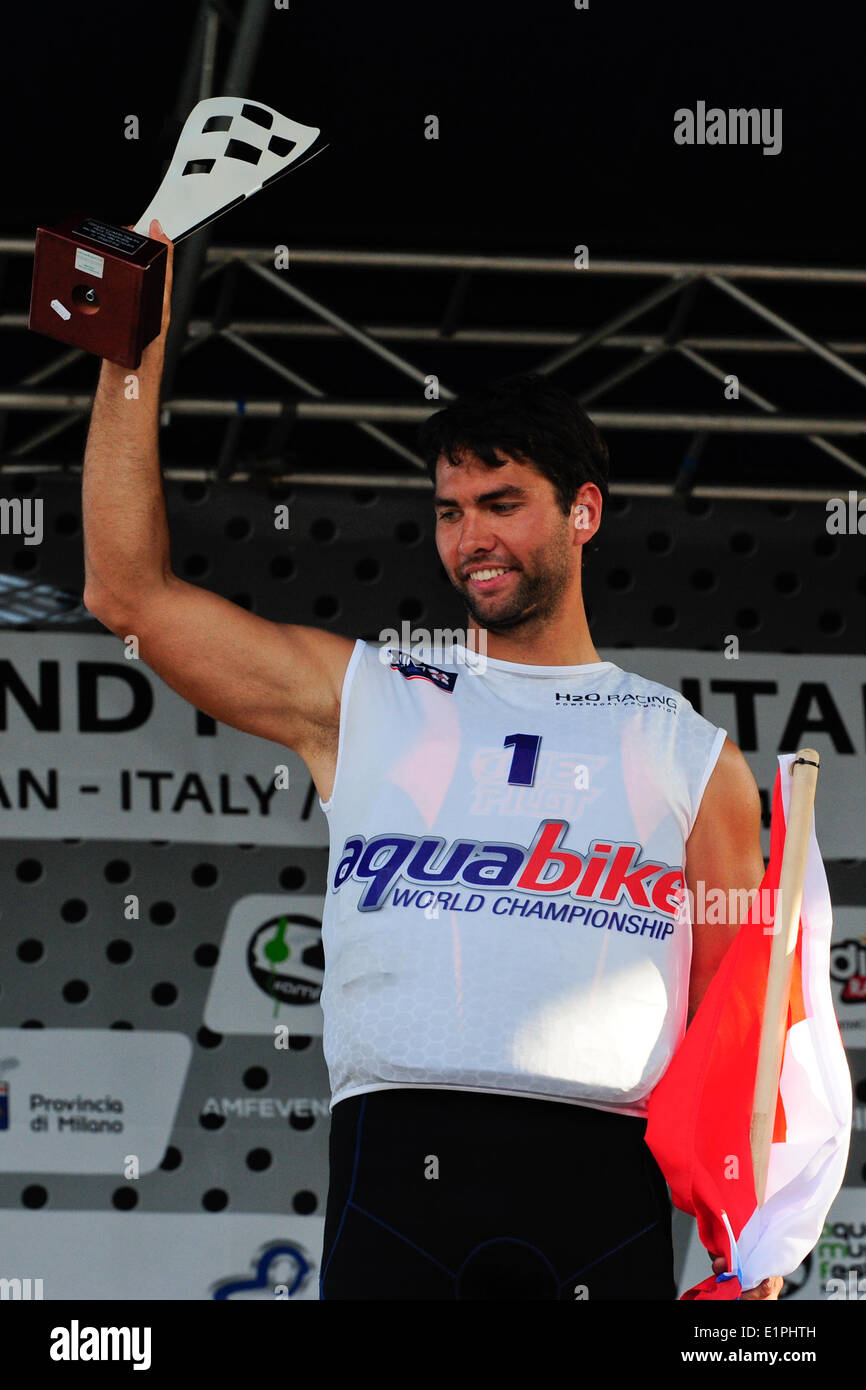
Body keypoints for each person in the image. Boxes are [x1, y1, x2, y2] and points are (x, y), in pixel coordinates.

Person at [82, 221, 783, 1301]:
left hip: (606, 1183)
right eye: (451, 511)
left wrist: (756, 1248)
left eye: (502, 504)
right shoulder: (365, 696)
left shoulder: (689, 755)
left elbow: (740, 1025)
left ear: (581, 512)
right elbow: (128, 594)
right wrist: (135, 346)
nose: (472, 538)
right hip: (396, 1179)